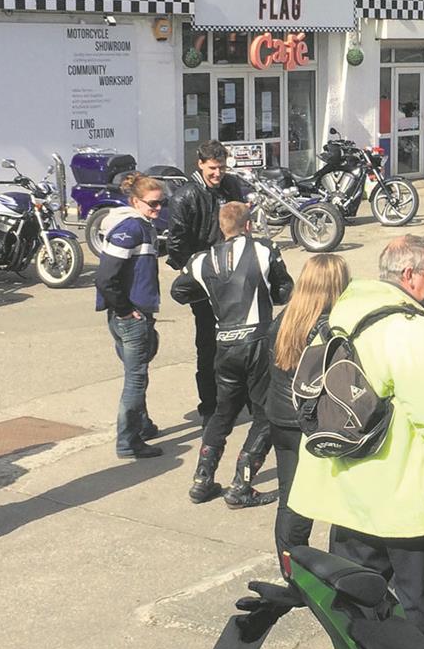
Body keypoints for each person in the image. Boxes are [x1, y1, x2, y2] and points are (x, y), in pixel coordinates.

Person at [287, 235, 424, 646]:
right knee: (418, 604)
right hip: (404, 496)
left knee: (356, 592)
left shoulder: (344, 314)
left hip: (348, 490)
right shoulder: (409, 328)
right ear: (409, 275)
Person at [171, 202, 294, 507]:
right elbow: (284, 290)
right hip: (258, 341)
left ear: (221, 227)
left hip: (224, 344)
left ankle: (202, 479)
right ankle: (241, 484)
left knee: (223, 412)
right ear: (248, 225)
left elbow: (178, 291)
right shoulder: (265, 249)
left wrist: (213, 294)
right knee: (266, 415)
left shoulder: (202, 260)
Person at [266, 253, 351, 559]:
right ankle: (343, 568)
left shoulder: (286, 317)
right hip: (312, 422)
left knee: (292, 500)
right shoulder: (331, 326)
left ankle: (293, 568)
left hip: (280, 417)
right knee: (341, 498)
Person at [165, 141, 248, 421]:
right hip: (204, 282)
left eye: (222, 167)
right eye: (213, 168)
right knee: (209, 346)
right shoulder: (184, 197)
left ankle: (238, 396)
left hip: (234, 276)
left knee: (239, 340)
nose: (218, 173)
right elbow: (176, 244)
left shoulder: (231, 186)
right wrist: (198, 271)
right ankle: (210, 405)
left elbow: (241, 222)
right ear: (200, 164)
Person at [95, 173, 166, 459]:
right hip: (130, 318)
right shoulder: (131, 228)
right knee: (136, 379)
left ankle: (142, 426)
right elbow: (105, 277)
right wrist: (125, 309)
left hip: (131, 315)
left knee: (138, 375)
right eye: (152, 204)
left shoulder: (141, 225)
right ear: (135, 201)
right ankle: (128, 441)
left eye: (162, 203)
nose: (158, 209)